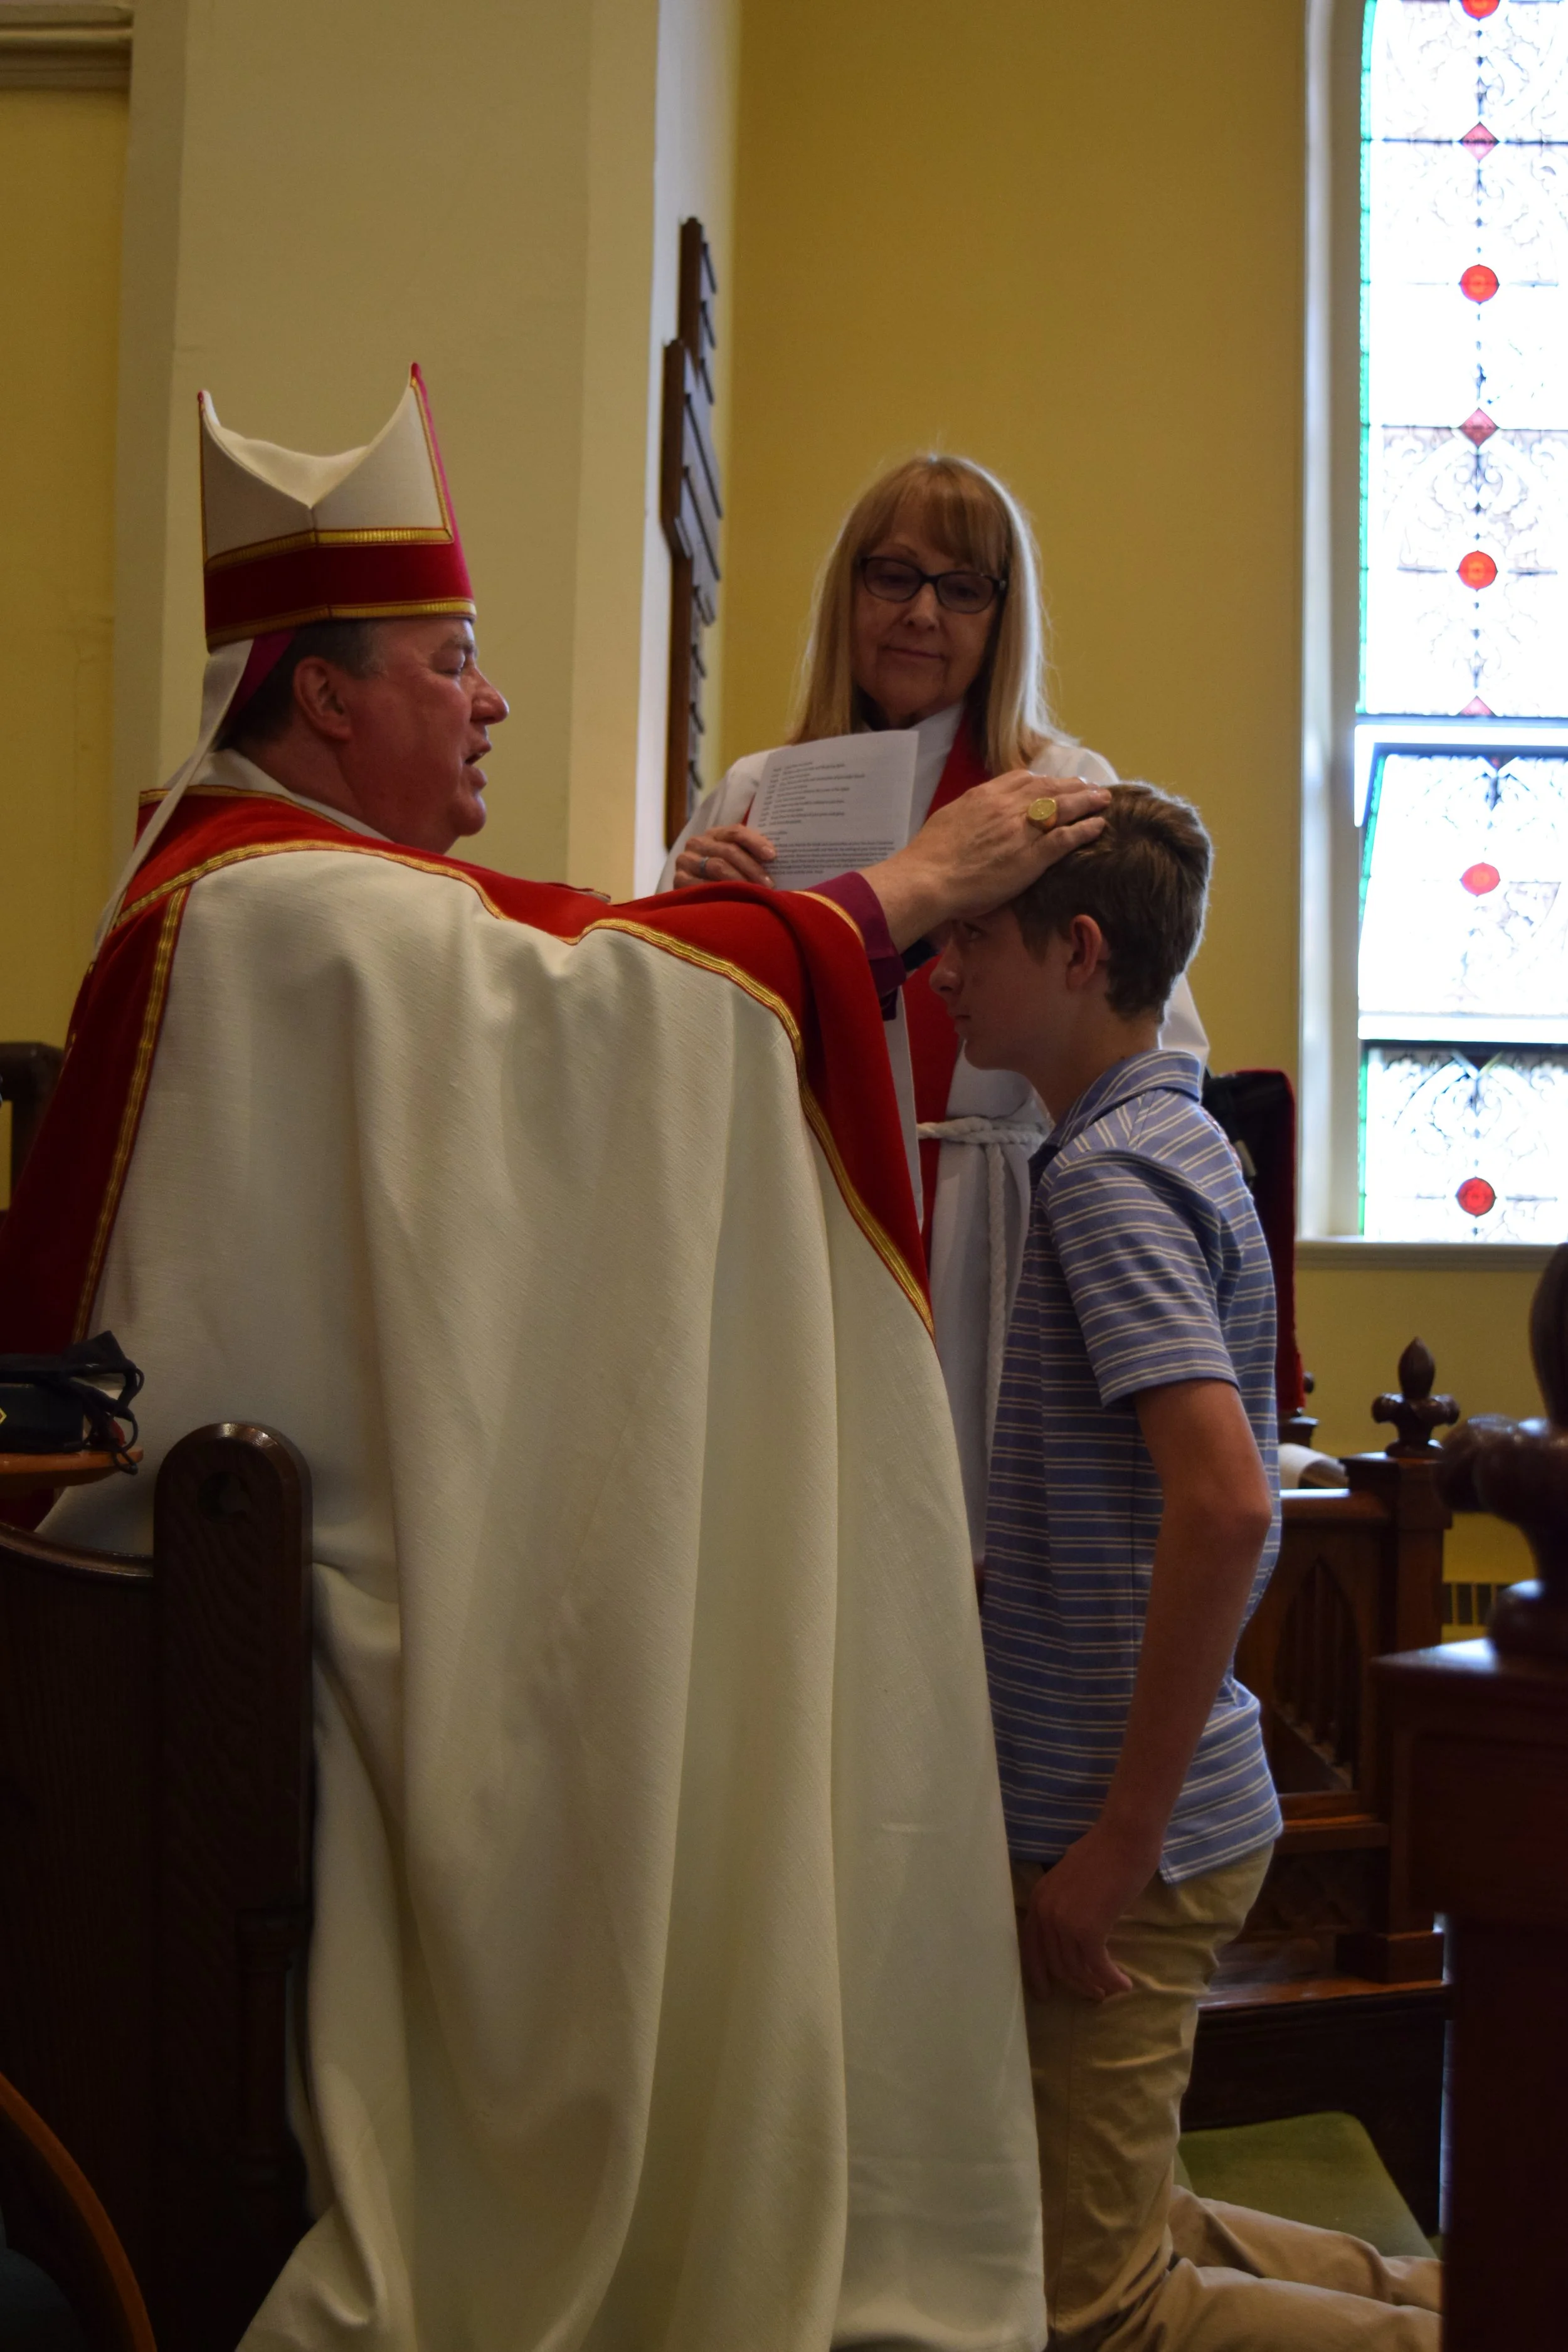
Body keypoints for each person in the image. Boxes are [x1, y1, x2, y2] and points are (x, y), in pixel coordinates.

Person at [0, 368, 1106, 2352]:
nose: (491, 698)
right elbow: (591, 1021)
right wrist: (900, 898)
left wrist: (753, 932)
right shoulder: (269, 911)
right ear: (321, 694)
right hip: (216, 1660)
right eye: (452, 661)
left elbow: (564, 1004)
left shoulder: (280, 893)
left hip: (225, 1626)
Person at [930, 787, 1443, 2348]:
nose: (941, 972)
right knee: (1111, 2216)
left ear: (1077, 951)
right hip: (1121, 1801)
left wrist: (1114, 1843)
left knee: (1098, 2318)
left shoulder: (1105, 1175)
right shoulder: (1165, 1133)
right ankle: (1458, 2299)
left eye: (973, 939)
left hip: (1124, 1830)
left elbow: (1222, 1505)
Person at [662, 453, 1208, 1558]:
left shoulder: (1054, 789)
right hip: (802, 1204)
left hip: (990, 1216)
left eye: (962, 588)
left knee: (959, 1547)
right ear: (849, 591)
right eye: (895, 576)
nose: (922, 613)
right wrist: (687, 911)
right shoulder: (758, 790)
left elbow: (1150, 1035)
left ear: (1002, 617)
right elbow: (677, 1052)